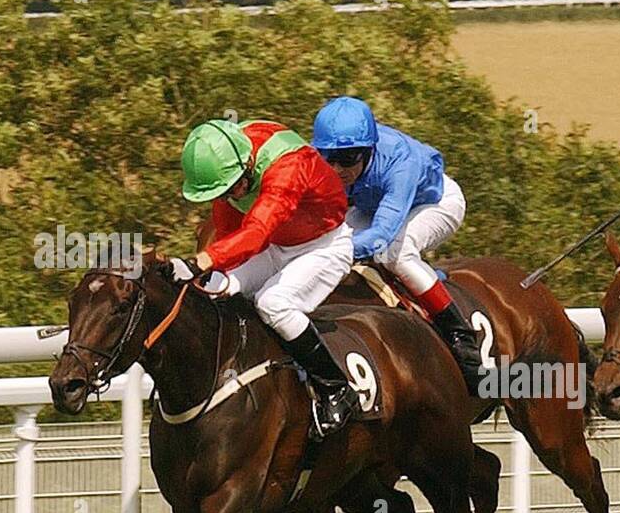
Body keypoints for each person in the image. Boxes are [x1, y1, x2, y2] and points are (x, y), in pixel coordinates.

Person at [180, 117, 357, 435]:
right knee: (217, 287)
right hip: (276, 244)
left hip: (324, 247)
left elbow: (257, 232)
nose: (231, 195)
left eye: (233, 187)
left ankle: (336, 388)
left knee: (272, 303)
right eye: (222, 192)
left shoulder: (288, 166)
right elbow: (228, 234)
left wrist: (202, 260)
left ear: (248, 162)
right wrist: (204, 273)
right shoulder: (229, 164)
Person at [310, 96, 486, 391]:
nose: (337, 168)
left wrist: (332, 254)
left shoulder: (399, 161)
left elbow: (381, 235)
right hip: (374, 205)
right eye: (329, 157)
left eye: (349, 158)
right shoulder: (329, 160)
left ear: (368, 150)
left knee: (395, 253)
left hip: (434, 203)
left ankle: (458, 333)